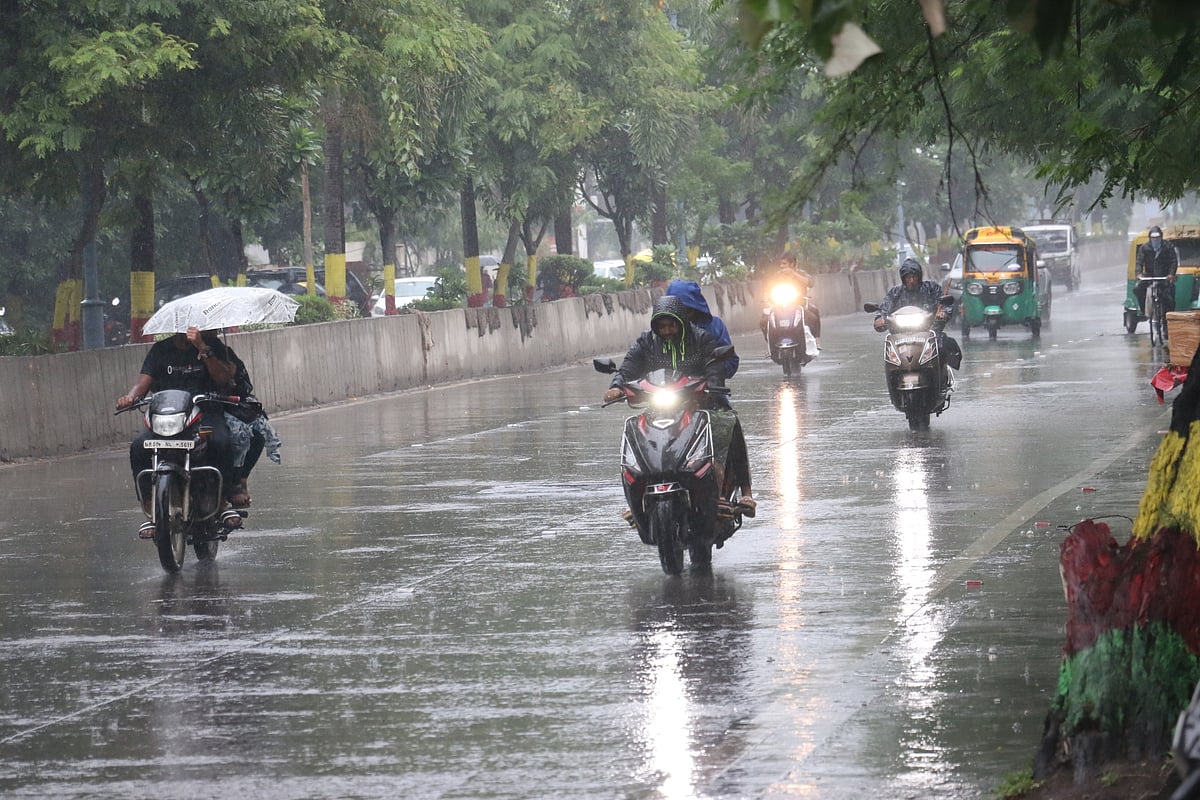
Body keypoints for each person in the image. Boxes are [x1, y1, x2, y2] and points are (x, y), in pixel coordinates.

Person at [603, 295, 756, 518]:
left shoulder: (701, 338)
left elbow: (713, 366)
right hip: (659, 407)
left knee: (728, 423)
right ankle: (636, 499)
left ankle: (745, 492)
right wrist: (617, 386)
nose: (666, 331)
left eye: (671, 325)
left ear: (681, 321)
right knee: (635, 433)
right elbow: (629, 366)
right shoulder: (646, 342)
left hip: (700, 405)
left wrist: (712, 385)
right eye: (661, 326)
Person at [116, 326, 240, 538]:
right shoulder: (160, 350)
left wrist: (202, 347)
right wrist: (130, 397)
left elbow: (223, 378)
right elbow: (142, 383)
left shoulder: (213, 346)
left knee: (221, 441)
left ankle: (221, 501)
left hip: (205, 412)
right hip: (167, 416)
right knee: (138, 447)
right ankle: (150, 508)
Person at [874, 258, 963, 380]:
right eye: (908, 277)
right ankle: (894, 379)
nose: (911, 280)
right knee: (890, 353)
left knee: (944, 345)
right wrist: (880, 319)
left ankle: (942, 377)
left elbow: (945, 304)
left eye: (914, 277)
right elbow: (884, 308)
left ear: (919, 276)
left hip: (930, 332)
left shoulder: (931, 288)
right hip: (900, 336)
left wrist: (943, 313)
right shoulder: (896, 293)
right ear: (903, 278)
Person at [221, 345, 282, 508]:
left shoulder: (223, 352)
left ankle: (240, 480)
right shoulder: (166, 353)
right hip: (191, 410)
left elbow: (242, 385)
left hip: (227, 405)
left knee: (257, 431)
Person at [666, 279, 739, 380]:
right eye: (677, 311)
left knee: (719, 396)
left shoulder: (715, 326)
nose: (681, 316)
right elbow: (641, 356)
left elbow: (731, 362)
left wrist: (714, 371)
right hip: (669, 389)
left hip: (708, 389)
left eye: (686, 310)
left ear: (695, 309)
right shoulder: (660, 330)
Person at [761, 253, 822, 350]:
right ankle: (771, 346)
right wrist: (767, 295)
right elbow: (769, 287)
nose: (782, 266)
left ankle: (817, 340)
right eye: (781, 264)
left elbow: (810, 283)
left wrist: (793, 274)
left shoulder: (801, 273)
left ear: (793, 264)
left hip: (800, 304)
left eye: (784, 264)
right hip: (780, 305)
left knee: (814, 312)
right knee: (764, 320)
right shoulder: (778, 275)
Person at [1134, 225, 1179, 316]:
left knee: (1169, 294)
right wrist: (1139, 273)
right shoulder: (1144, 248)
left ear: (1161, 237)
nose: (1155, 240)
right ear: (1150, 238)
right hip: (1149, 276)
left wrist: (1171, 274)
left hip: (1164, 276)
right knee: (1138, 289)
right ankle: (1144, 310)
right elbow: (1139, 261)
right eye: (1153, 238)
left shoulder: (1168, 246)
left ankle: (1169, 316)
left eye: (1157, 238)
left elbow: (1173, 261)